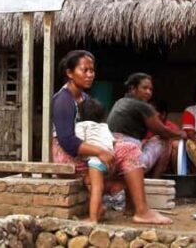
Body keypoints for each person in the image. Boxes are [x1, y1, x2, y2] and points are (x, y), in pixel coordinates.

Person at [51, 51, 173, 225]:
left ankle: (133, 207)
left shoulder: (84, 97)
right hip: (67, 155)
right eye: (84, 70)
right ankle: (141, 211)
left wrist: (109, 145)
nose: (90, 74)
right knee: (128, 150)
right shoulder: (63, 100)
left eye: (92, 70)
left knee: (127, 147)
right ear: (70, 73)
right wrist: (101, 151)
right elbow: (68, 141)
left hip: (85, 150)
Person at [108, 73, 187, 178]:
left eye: (150, 89)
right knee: (163, 140)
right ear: (132, 88)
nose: (148, 92)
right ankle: (155, 181)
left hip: (111, 159)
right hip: (130, 162)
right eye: (144, 88)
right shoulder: (142, 106)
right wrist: (182, 134)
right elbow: (163, 131)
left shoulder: (119, 102)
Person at [75, 98, 114, 223]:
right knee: (96, 186)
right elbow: (113, 142)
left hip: (95, 161)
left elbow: (78, 143)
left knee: (96, 188)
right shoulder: (104, 126)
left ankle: (92, 219)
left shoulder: (82, 125)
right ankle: (100, 210)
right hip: (108, 160)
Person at [147, 98, 182, 174]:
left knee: (170, 143)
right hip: (146, 164)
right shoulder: (144, 127)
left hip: (166, 166)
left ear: (162, 115)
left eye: (151, 113)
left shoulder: (171, 127)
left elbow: (180, 138)